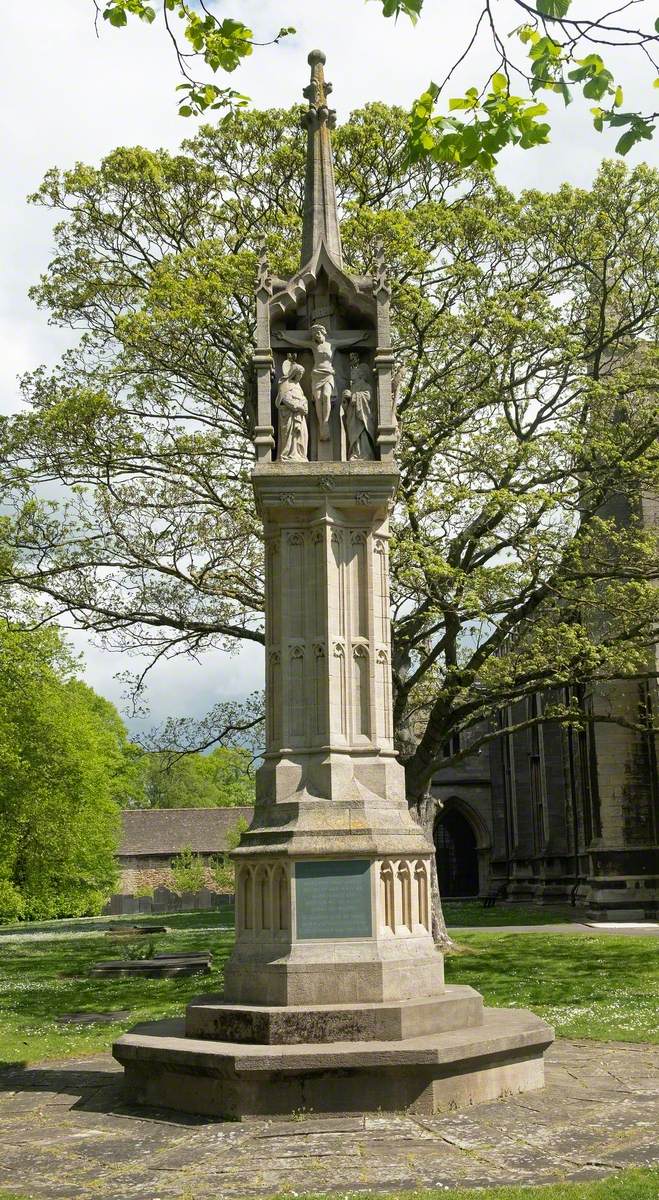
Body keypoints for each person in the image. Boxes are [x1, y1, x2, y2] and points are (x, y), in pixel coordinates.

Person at [342, 355, 376, 460]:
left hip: (362, 417)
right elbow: (348, 405)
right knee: (353, 436)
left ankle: (364, 454)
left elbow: (368, 396)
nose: (351, 374)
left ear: (360, 375)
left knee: (362, 434)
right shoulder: (353, 386)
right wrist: (345, 400)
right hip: (352, 417)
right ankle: (355, 453)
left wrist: (353, 396)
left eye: (354, 373)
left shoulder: (365, 385)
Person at [276, 360, 308, 462]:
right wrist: (297, 406)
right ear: (294, 373)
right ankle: (289, 455)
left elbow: (303, 398)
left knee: (302, 435)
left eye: (302, 375)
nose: (301, 377)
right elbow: (284, 398)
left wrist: (304, 404)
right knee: (289, 435)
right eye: (299, 374)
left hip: (299, 416)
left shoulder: (298, 386)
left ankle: (299, 454)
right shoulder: (285, 383)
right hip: (288, 415)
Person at [310, 324, 335, 441]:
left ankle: (326, 422)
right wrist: (284, 338)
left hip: (328, 374)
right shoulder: (313, 346)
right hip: (316, 374)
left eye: (318, 333)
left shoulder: (331, 344)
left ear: (323, 332)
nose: (317, 336)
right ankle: (321, 424)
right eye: (315, 335)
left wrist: (361, 337)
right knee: (318, 398)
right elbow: (297, 342)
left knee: (326, 395)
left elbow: (348, 341)